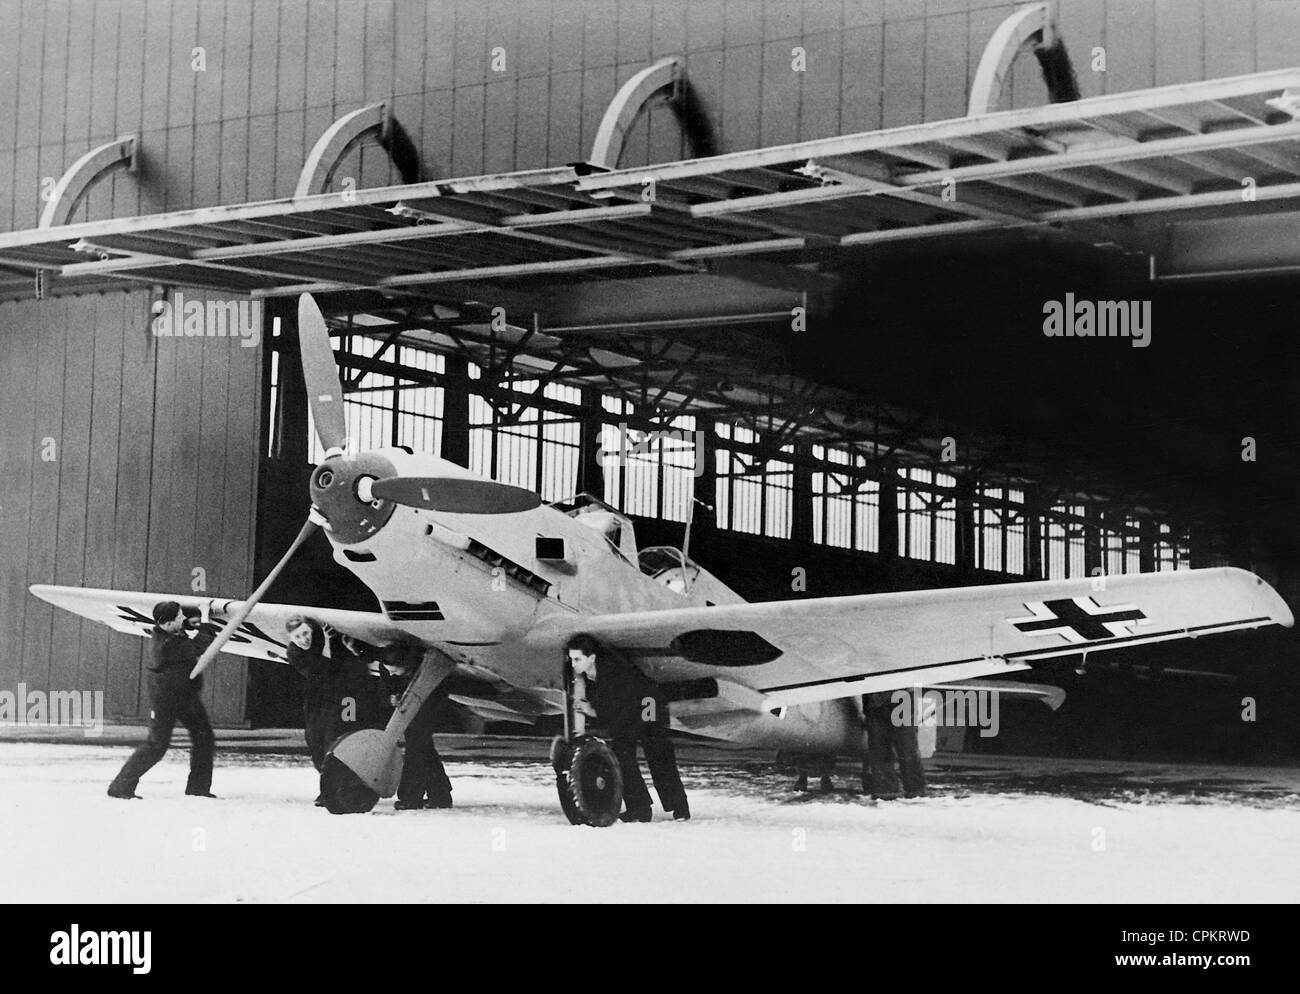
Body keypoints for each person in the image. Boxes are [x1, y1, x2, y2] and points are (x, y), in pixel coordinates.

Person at [566, 634, 689, 822]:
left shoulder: (612, 670)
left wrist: (592, 710)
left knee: (657, 752)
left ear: (591, 658)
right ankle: (639, 808)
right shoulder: (589, 671)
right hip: (627, 712)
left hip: (648, 703)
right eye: (571, 659)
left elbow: (617, 703)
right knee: (622, 754)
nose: (573, 664)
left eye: (577, 659)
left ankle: (679, 807)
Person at [107, 601, 218, 799]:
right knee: (156, 746)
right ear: (167, 623)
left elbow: (182, 632)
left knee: (204, 738)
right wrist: (206, 621)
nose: (183, 619)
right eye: (179, 617)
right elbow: (199, 645)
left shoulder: (168, 633)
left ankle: (198, 789)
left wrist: (192, 622)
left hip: (185, 697)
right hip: (165, 700)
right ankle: (120, 788)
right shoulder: (166, 645)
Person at [285, 616, 382, 805]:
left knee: (345, 735)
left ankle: (347, 787)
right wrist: (329, 643)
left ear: (312, 630)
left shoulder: (326, 637)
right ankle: (331, 786)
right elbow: (321, 669)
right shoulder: (295, 652)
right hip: (320, 700)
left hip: (349, 695)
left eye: (305, 633)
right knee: (316, 741)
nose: (303, 639)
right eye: (297, 637)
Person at [379, 645, 453, 811]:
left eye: (394, 671)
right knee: (423, 747)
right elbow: (390, 677)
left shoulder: (423, 673)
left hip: (427, 704)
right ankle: (439, 795)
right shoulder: (397, 667)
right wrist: (394, 692)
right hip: (420, 703)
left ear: (405, 666)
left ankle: (411, 797)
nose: (391, 674)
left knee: (416, 749)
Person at [862, 690, 928, 800]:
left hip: (897, 698)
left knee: (906, 749)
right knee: (881, 750)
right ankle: (888, 792)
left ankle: (914, 791)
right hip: (876, 701)